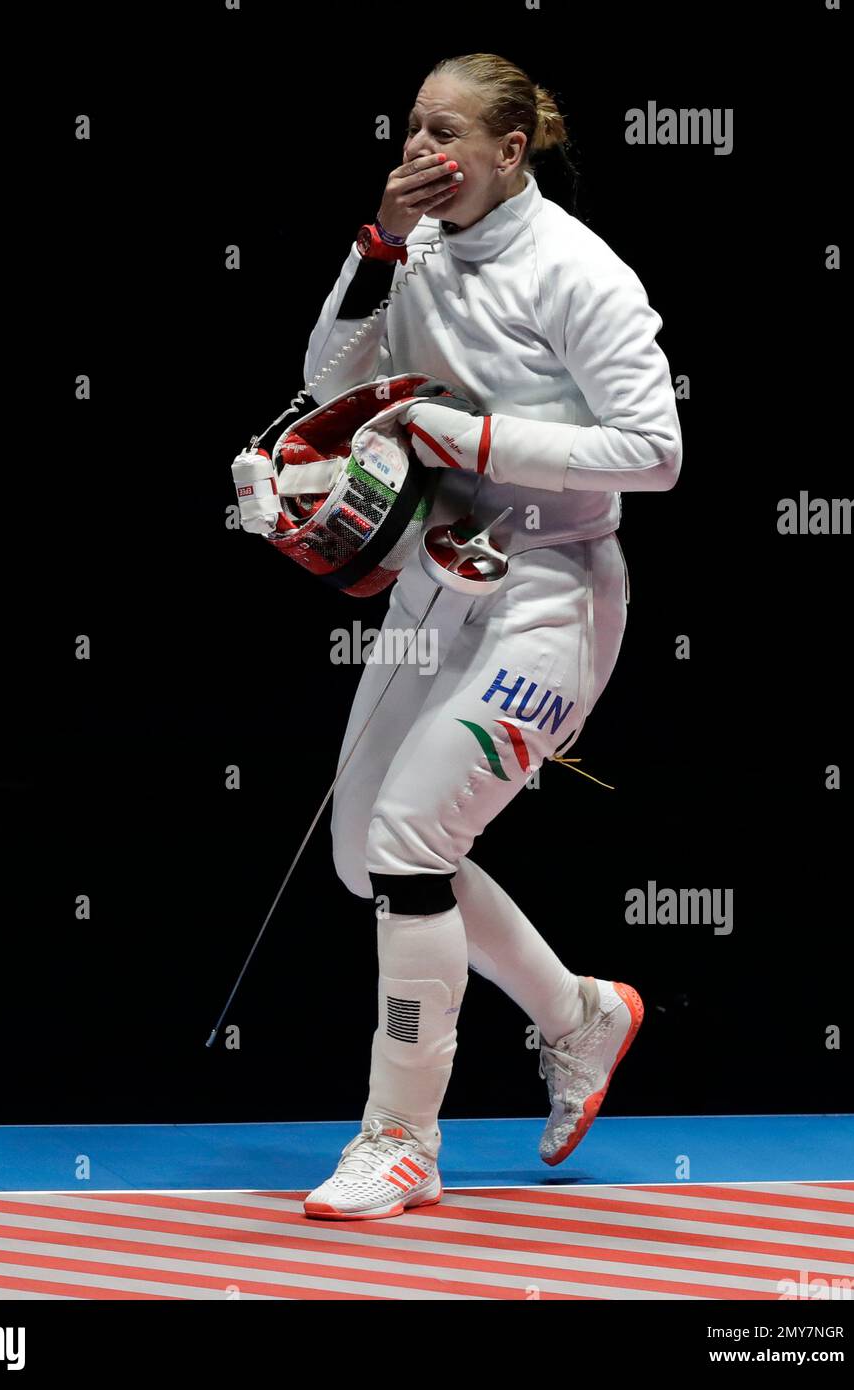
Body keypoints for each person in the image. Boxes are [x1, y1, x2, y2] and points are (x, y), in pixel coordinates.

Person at [300, 53, 681, 1221]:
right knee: (366, 850)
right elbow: (327, 380)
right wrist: (372, 249)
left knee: (412, 834)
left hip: (553, 595)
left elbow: (655, 452)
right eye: (414, 127)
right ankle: (578, 1014)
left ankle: (402, 1138)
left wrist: (472, 437)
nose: (424, 151)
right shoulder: (408, 243)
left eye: (448, 132)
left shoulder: (580, 272)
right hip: (439, 583)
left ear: (512, 150)